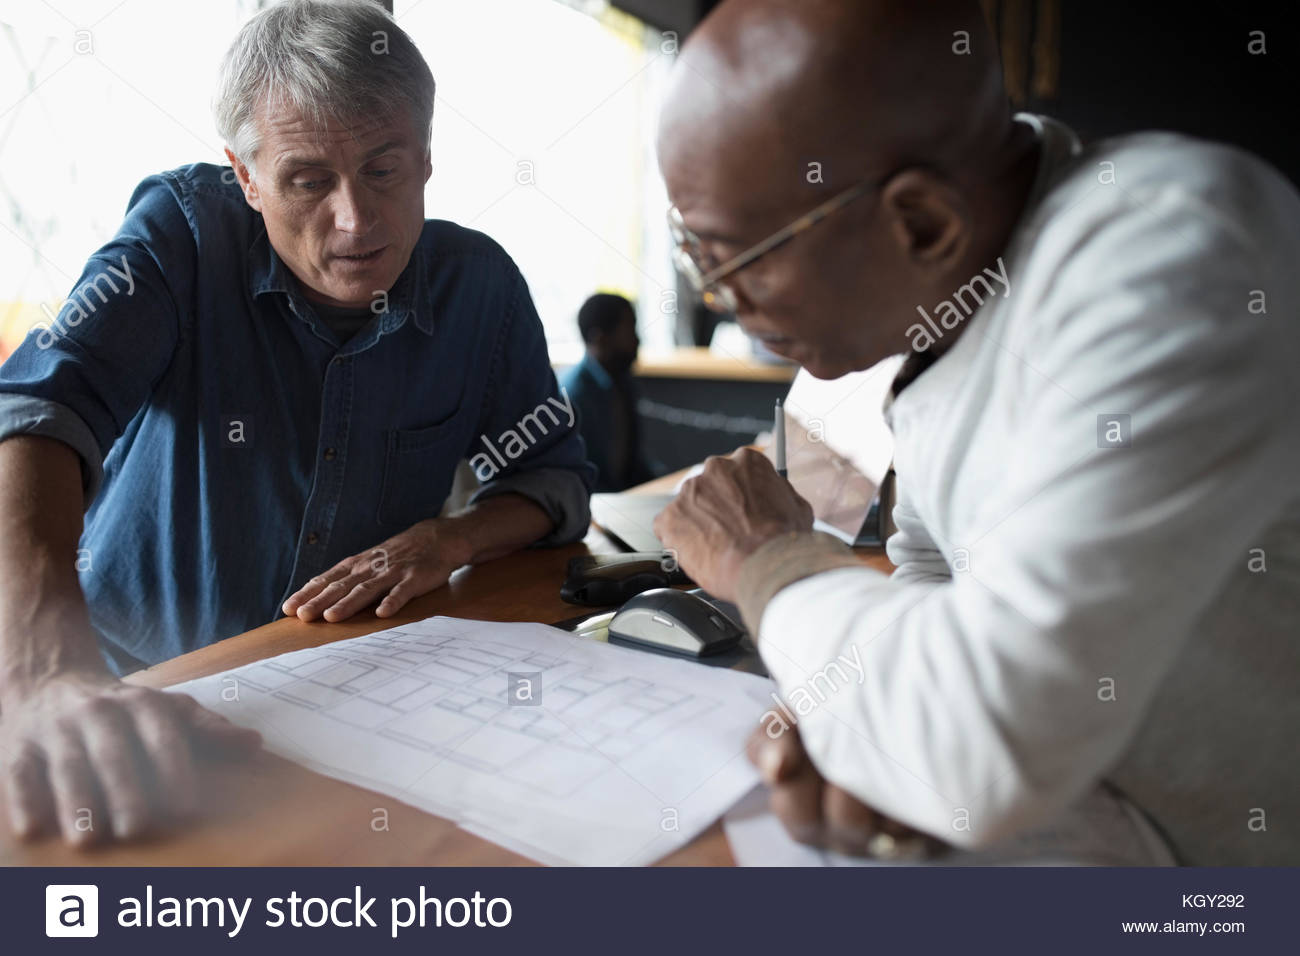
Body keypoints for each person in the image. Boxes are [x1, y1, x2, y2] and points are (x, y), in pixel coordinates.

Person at [654, 0, 1300, 864]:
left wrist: (766, 559)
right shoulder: (945, 310)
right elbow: (934, 575)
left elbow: (981, 740)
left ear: (922, 223)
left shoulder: (1174, 254)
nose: (722, 306)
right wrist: (859, 720)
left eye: (732, 262)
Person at [0, 0, 593, 845]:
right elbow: (36, 410)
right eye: (308, 180)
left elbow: (552, 478)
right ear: (245, 178)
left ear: (427, 158)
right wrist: (43, 670)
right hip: (137, 691)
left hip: (365, 705)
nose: (356, 222)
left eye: (385, 170)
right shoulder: (183, 232)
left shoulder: (482, 289)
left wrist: (447, 539)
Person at [560, 293, 655, 491]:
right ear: (600, 338)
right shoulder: (571, 396)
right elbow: (577, 480)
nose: (638, 340)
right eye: (629, 330)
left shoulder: (622, 381)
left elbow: (634, 466)